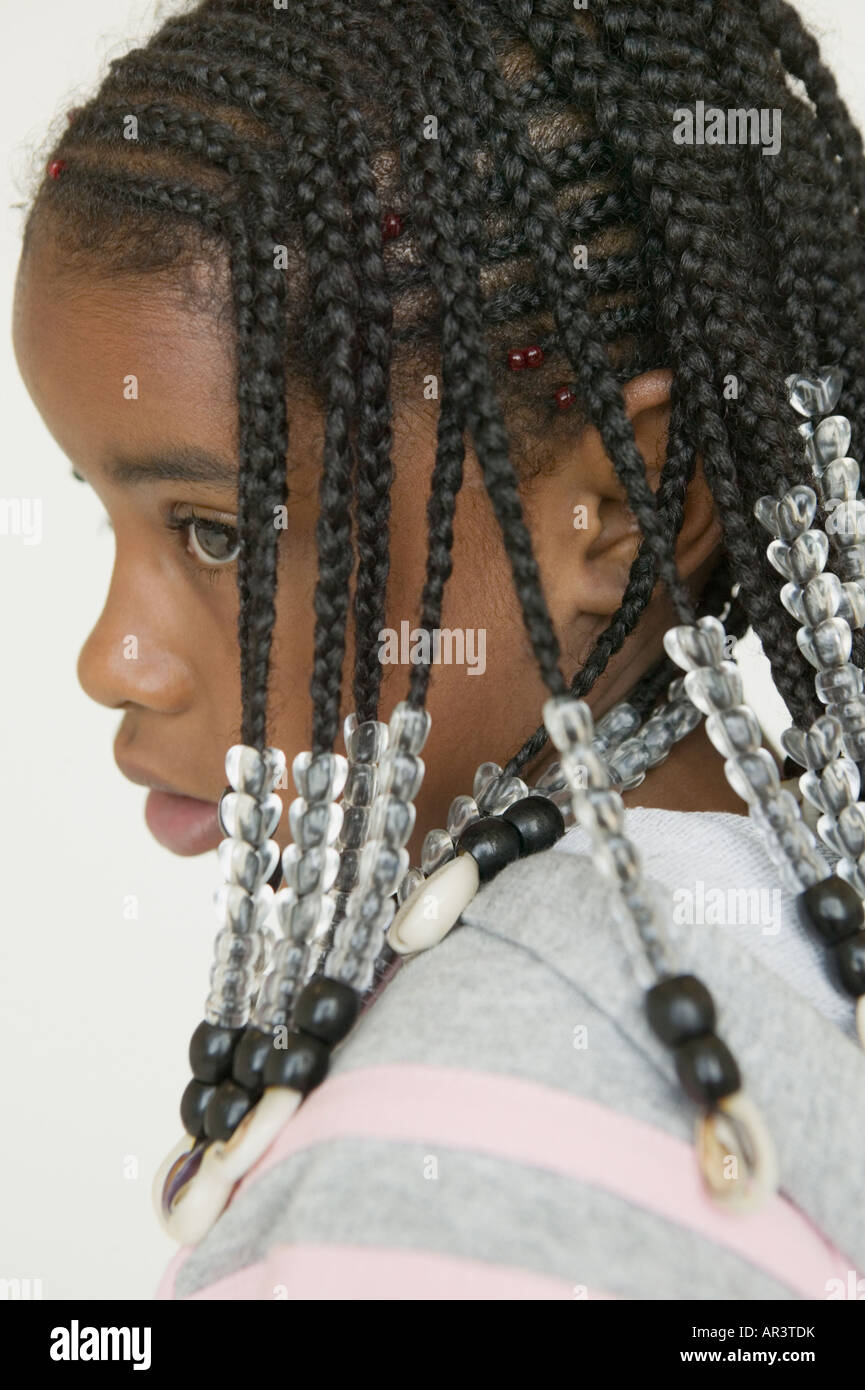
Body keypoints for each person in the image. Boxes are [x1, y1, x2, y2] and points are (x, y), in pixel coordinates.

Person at [12, 0, 865, 1300]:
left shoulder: (417, 1201)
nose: (113, 658)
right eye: (101, 505)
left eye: (220, 534)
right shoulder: (785, 952)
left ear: (617, 509)